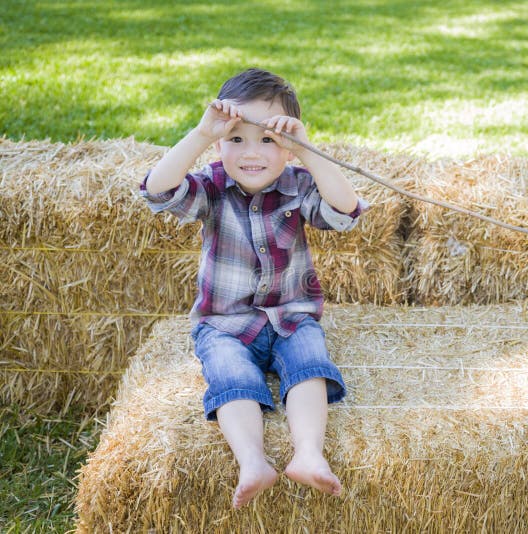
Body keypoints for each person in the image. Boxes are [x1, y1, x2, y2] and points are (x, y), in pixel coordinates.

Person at [141, 68, 366, 509]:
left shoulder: (300, 187)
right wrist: (201, 134)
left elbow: (347, 211)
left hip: (292, 317)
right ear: (220, 143)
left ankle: (308, 454)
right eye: (236, 139)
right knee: (231, 377)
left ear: (287, 149)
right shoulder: (211, 187)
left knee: (309, 365)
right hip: (224, 325)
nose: (252, 153)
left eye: (267, 140)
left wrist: (309, 152)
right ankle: (252, 461)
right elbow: (157, 189)